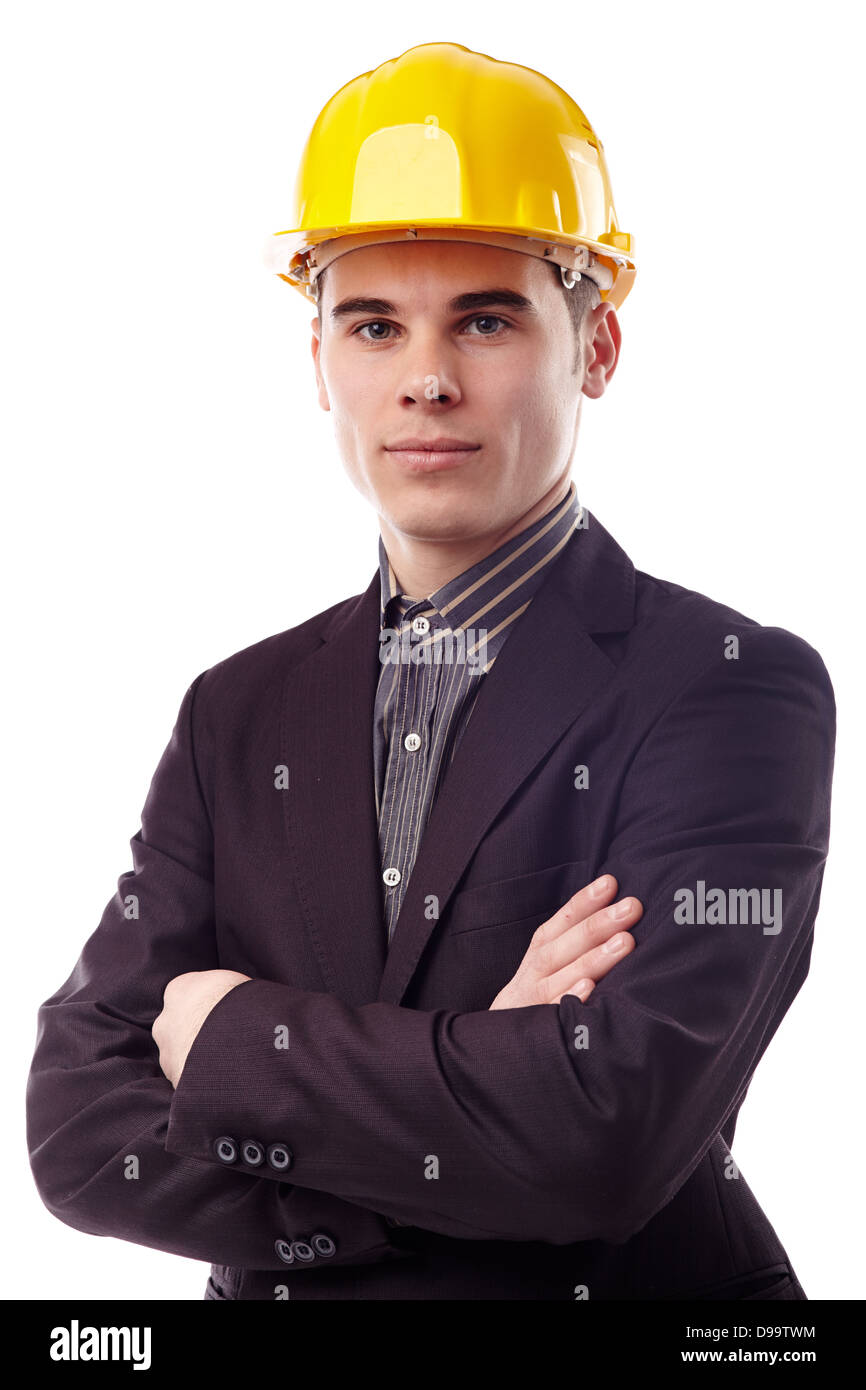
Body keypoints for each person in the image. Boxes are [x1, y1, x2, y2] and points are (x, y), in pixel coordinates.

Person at [26, 41, 835, 1302]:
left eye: (486, 316)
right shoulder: (235, 712)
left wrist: (234, 1044)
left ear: (597, 346)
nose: (425, 378)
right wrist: (470, 1093)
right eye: (372, 323)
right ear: (317, 362)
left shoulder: (729, 691)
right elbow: (79, 1127)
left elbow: (601, 1139)